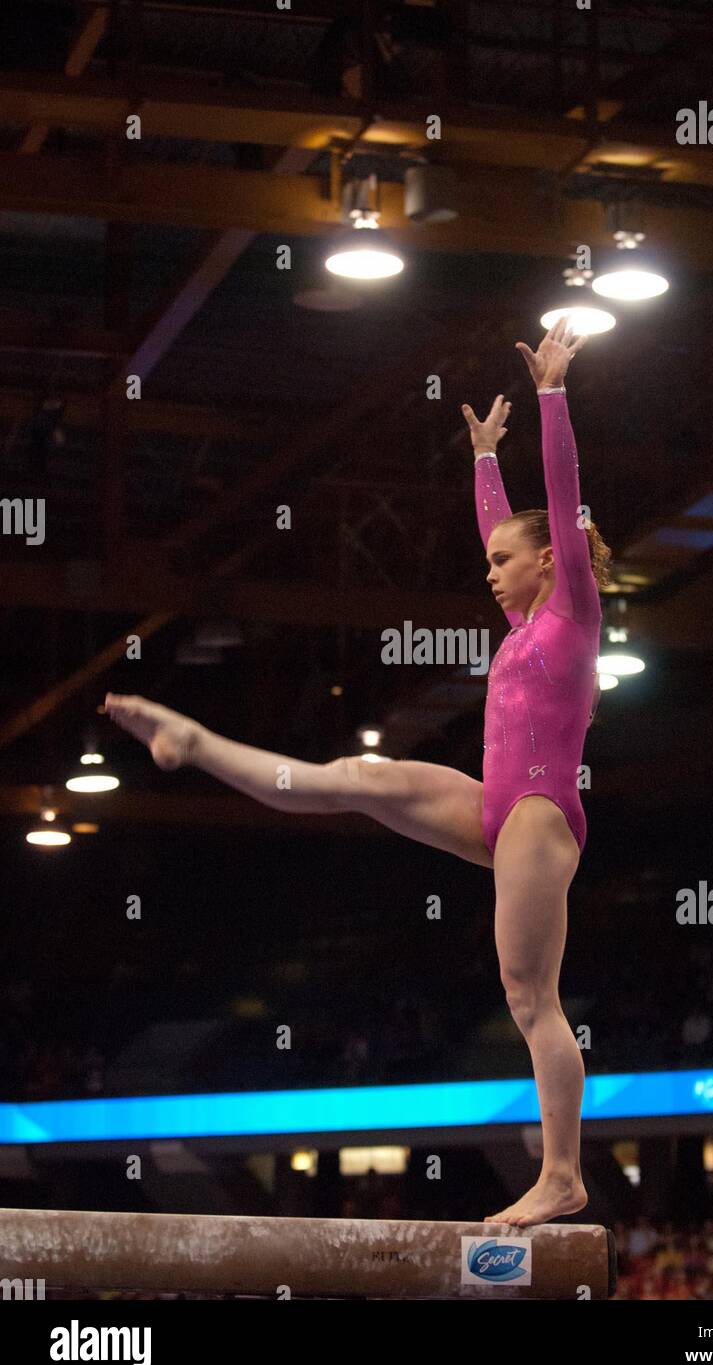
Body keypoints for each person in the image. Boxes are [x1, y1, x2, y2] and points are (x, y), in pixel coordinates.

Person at [102, 316, 611, 1225]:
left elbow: (561, 500)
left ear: (548, 561)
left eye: (503, 562)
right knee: (357, 777)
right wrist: (484, 460)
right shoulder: (527, 625)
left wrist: (552, 394)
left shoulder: (572, 608)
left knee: (531, 995)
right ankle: (195, 743)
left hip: (540, 813)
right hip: (498, 806)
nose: (490, 572)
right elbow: (504, 526)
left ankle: (563, 1171)